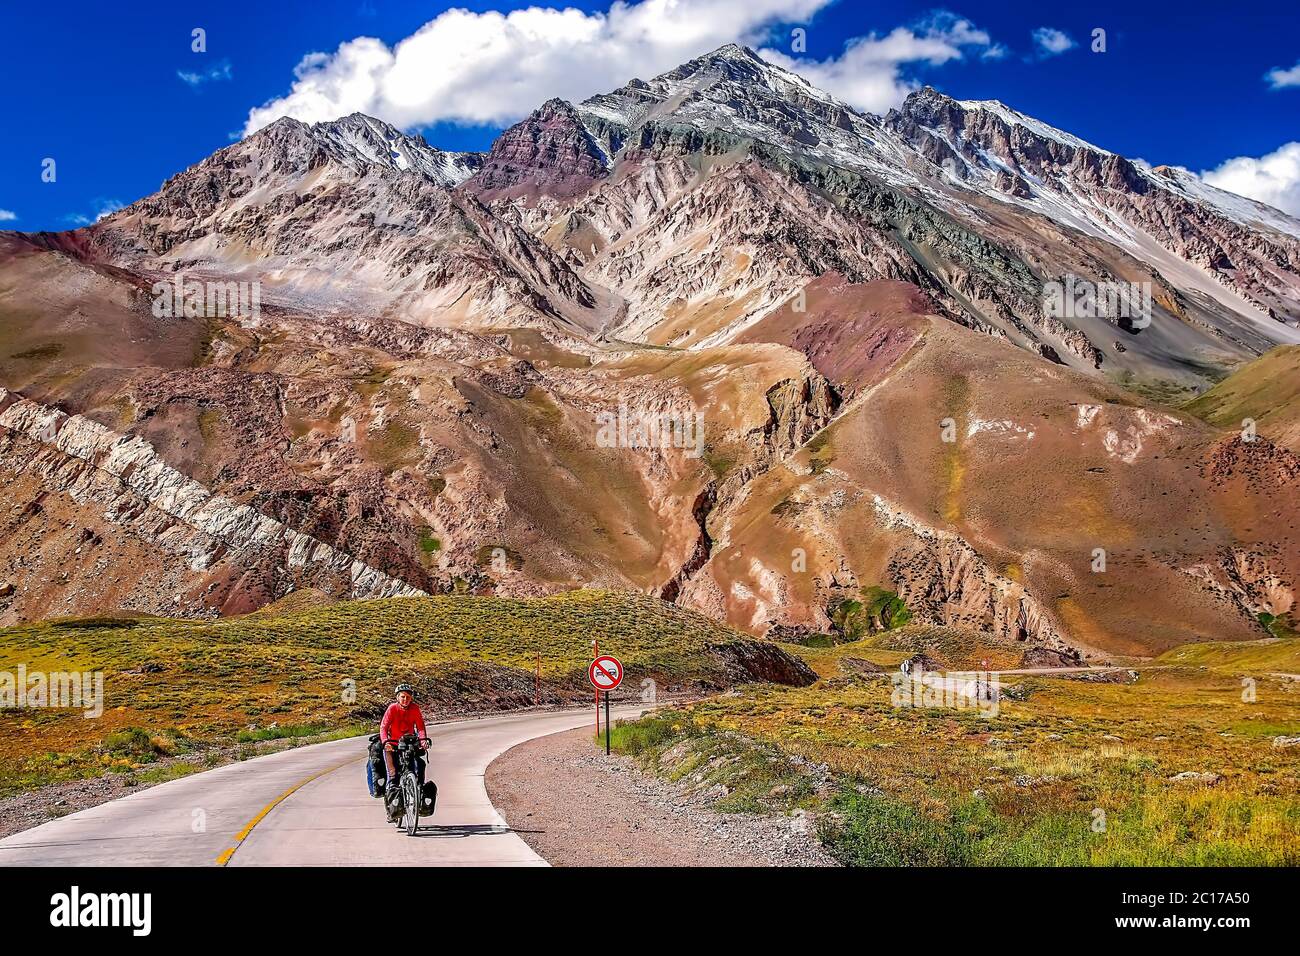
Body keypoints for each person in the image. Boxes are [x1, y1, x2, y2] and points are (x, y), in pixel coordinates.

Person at [380, 683, 428, 784]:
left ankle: (418, 792)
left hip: (408, 744)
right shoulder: (392, 708)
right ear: (397, 697)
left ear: (411, 698)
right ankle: (391, 793)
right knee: (393, 773)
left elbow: (420, 727)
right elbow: (383, 727)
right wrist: (385, 742)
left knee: (418, 767)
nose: (405, 699)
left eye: (408, 697)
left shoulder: (414, 708)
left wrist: (423, 740)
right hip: (392, 744)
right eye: (402, 697)